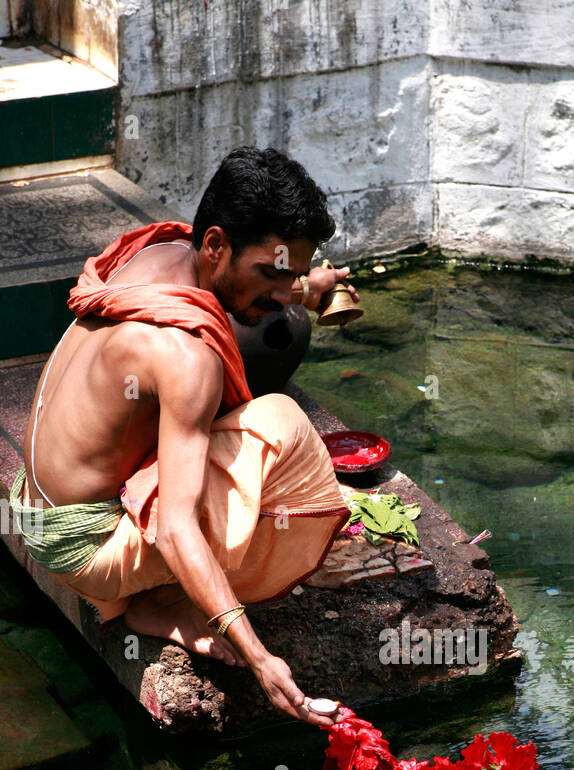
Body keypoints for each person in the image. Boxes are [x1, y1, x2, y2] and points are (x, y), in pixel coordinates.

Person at [10, 146, 359, 727]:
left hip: (36, 507)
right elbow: (175, 526)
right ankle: (153, 603)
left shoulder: (164, 251)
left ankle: (142, 593)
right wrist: (259, 657)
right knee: (286, 428)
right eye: (271, 273)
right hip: (86, 551)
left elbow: (241, 294)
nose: (282, 292)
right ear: (218, 245)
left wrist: (305, 285)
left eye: (291, 274)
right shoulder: (188, 357)